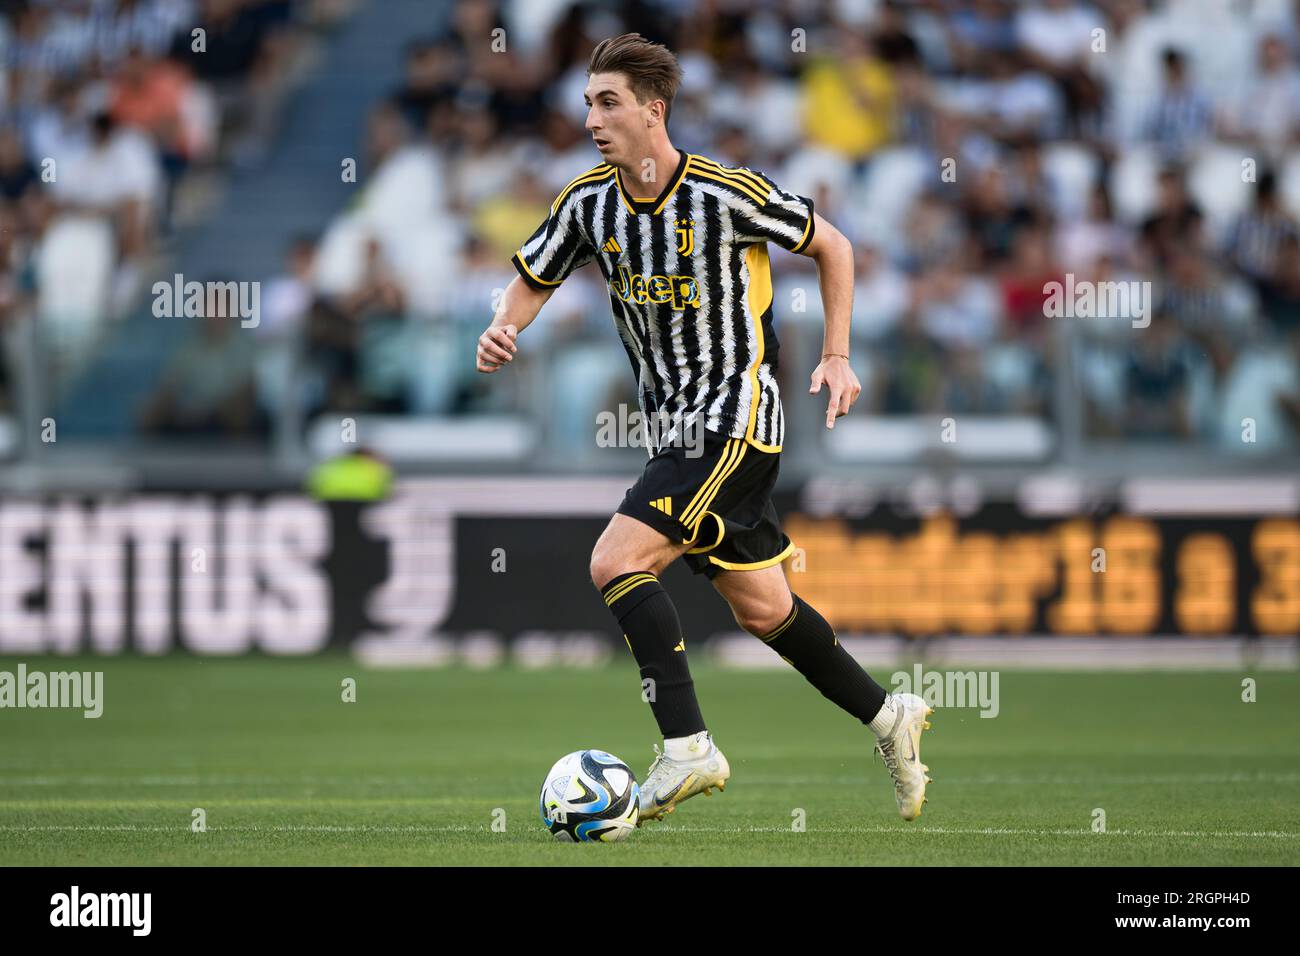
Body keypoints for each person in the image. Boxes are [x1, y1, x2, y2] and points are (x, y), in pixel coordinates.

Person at [476, 34, 935, 824]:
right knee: (764, 610)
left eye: (609, 102)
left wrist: (837, 353)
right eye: (587, 102)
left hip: (735, 416)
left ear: (654, 112)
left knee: (614, 561)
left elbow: (834, 245)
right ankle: (889, 716)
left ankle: (688, 746)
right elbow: (530, 277)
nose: (592, 117)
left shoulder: (723, 192)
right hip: (677, 431)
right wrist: (503, 328)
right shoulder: (587, 202)